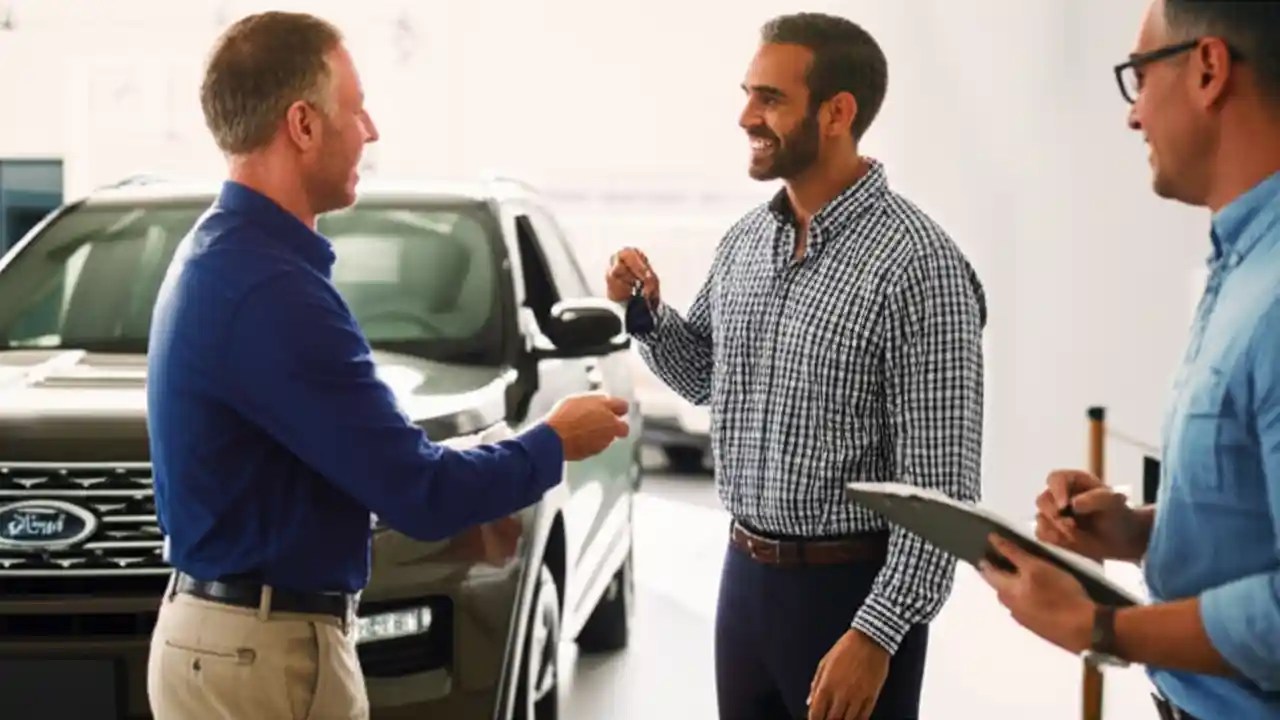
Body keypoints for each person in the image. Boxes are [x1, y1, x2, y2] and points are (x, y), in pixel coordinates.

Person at [145, 11, 629, 719]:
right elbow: (418, 492)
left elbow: (326, 469)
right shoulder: (270, 290)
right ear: (304, 125)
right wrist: (552, 443)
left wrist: (460, 482)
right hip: (263, 659)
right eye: (358, 109)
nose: (370, 133)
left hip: (238, 642)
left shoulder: (234, 259)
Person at [608, 12, 986, 720]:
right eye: (749, 93)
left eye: (771, 99)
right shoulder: (747, 242)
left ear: (838, 113)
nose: (746, 115)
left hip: (850, 599)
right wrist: (649, 315)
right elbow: (708, 379)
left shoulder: (921, 268)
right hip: (743, 584)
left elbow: (943, 500)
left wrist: (876, 634)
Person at [978, 1, 1280, 718]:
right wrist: (1142, 532)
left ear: (1208, 69)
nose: (1132, 115)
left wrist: (1100, 627)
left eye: (1138, 78)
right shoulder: (1242, 265)